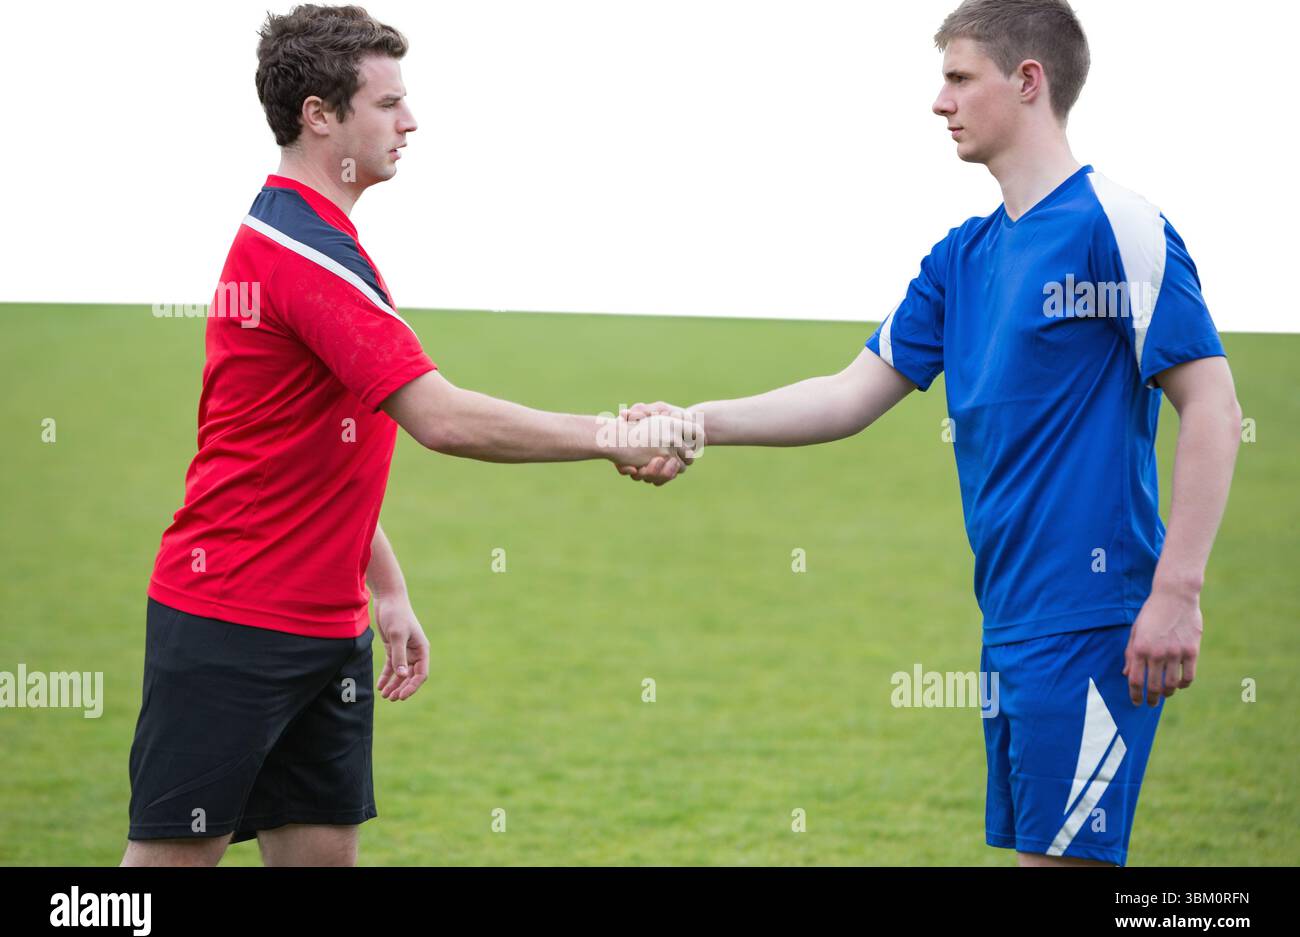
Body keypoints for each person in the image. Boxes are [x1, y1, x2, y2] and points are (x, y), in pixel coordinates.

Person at [620, 0, 1241, 866]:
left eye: (958, 77)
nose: (938, 102)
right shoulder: (962, 257)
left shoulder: (1120, 227)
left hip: (1094, 619)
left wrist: (1179, 590)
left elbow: (1212, 404)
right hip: (1007, 623)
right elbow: (846, 396)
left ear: (1029, 82)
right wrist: (694, 424)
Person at [123, 3, 697, 867]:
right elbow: (442, 418)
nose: (412, 120)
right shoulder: (300, 253)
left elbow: (317, 451)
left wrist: (383, 589)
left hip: (329, 631)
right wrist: (615, 434)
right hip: (231, 621)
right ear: (320, 115)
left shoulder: (321, 240)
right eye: (389, 102)